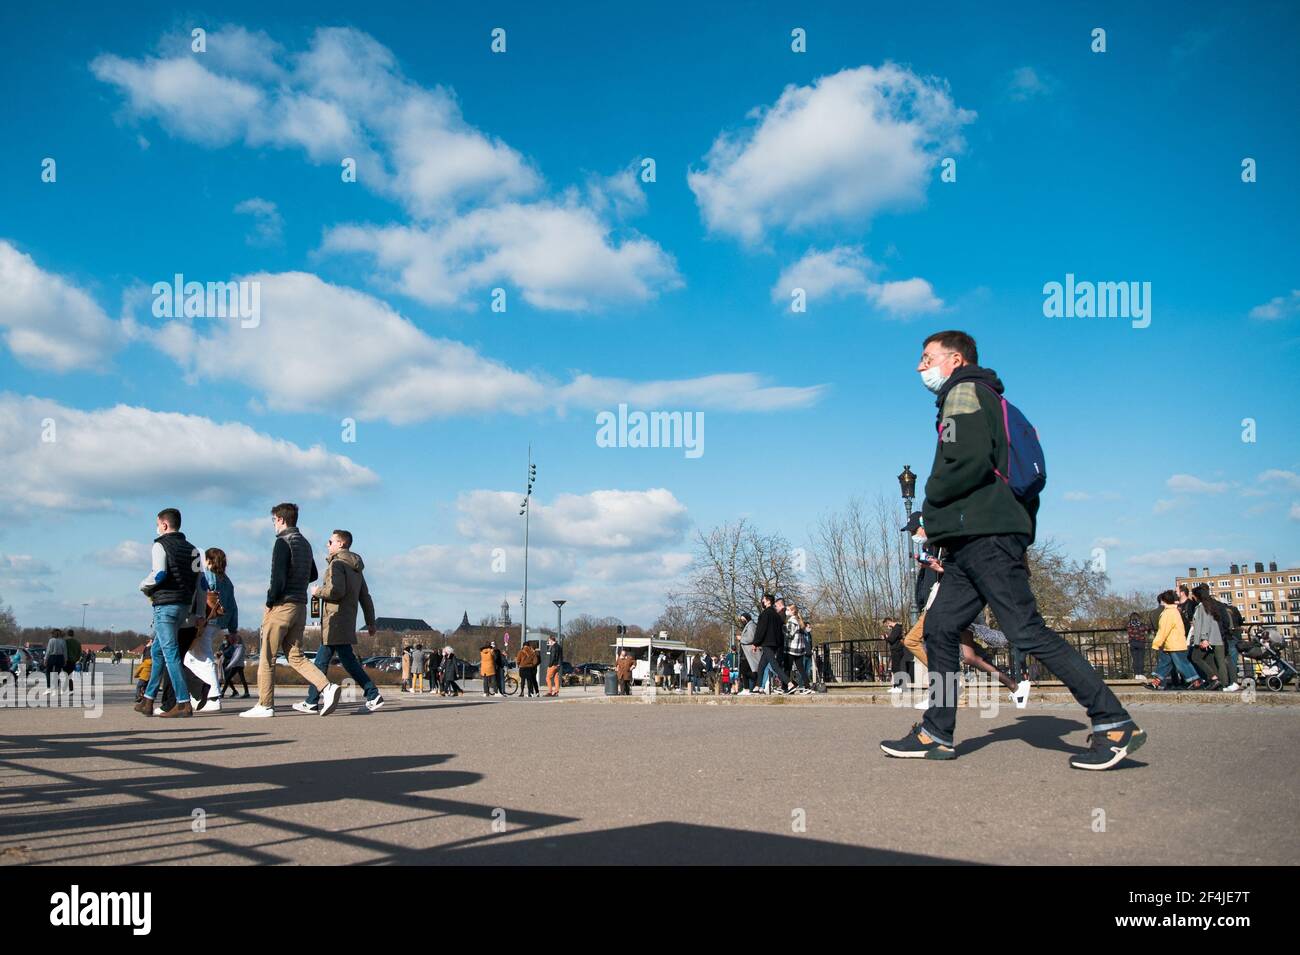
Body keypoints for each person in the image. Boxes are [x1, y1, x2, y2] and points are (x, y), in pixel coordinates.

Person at [880, 330, 1144, 769]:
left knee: (1026, 630)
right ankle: (936, 732)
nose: (919, 367)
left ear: (956, 359)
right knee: (940, 628)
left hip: (986, 536)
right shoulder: (983, 397)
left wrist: (929, 503)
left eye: (927, 358)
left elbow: (962, 460)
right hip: (970, 541)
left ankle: (1113, 723)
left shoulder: (962, 393)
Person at [241, 502, 340, 718]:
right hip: (300, 606)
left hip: (282, 605)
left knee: (267, 656)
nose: (274, 524)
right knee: (296, 656)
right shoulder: (304, 543)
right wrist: (298, 579)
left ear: (282, 520)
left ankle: (265, 704)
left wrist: (269, 601)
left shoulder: (282, 542)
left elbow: (277, 578)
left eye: (274, 520)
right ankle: (327, 687)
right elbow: (312, 574)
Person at [294, 529, 385, 714]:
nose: (327, 545)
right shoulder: (356, 568)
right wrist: (370, 622)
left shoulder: (336, 565)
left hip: (334, 620)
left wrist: (317, 592)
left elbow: (336, 591)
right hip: (347, 620)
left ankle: (372, 694)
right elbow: (365, 597)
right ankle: (312, 700)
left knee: (322, 662)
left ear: (341, 544)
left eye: (330, 541)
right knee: (338, 660)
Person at [134, 508, 206, 718]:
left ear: (164, 525)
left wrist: (143, 585)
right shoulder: (193, 550)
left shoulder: (160, 545)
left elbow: (159, 574)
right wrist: (200, 612)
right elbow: (201, 583)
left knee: (170, 654)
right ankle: (147, 700)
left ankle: (183, 703)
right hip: (184, 607)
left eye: (157, 524)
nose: (157, 527)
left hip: (165, 606)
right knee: (157, 652)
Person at [189, 548, 237, 711]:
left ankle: (212, 696)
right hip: (219, 622)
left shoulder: (208, 575)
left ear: (208, 560)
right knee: (196, 656)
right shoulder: (227, 581)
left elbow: (200, 594)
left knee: (200, 656)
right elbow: (233, 606)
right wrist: (233, 630)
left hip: (206, 619)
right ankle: (200, 694)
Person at [1146, 590, 1202, 690]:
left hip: (1174, 644)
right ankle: (1156, 682)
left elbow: (1163, 630)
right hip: (1172, 644)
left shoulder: (1168, 613)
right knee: (1165, 663)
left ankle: (1196, 680)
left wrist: (1156, 643)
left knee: (1182, 664)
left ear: (1164, 600)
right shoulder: (1174, 611)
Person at [1190, 585, 1238, 692]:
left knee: (1197, 657)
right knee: (1216, 660)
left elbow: (1206, 623)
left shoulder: (1202, 607)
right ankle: (1223, 683)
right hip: (1217, 637)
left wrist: (1204, 638)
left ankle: (1216, 679)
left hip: (1210, 638)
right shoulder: (1211, 605)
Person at [752, 595, 793, 694]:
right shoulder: (776, 614)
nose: (762, 601)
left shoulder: (765, 614)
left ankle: (789, 683)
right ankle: (758, 686)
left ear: (768, 602)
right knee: (762, 665)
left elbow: (761, 630)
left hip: (767, 642)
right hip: (775, 643)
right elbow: (779, 630)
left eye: (763, 600)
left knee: (774, 665)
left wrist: (755, 643)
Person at [222, 632, 250, 698]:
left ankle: (246, 693)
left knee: (238, 679)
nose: (235, 640)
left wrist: (229, 666)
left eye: (236, 639)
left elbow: (236, 658)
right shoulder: (236, 647)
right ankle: (223, 692)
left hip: (239, 665)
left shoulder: (241, 647)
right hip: (236, 665)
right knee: (229, 678)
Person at [1126, 612, 1149, 682]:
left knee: (1135, 659)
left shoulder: (1128, 625)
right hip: (1140, 643)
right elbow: (1147, 628)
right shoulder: (1141, 625)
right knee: (1140, 659)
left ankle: (1136, 674)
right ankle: (1140, 673)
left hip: (1132, 643)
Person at [43, 628, 67, 694]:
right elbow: (65, 652)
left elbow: (48, 651)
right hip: (60, 657)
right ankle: (55, 689)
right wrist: (65, 660)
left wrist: (45, 659)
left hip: (52, 657)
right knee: (56, 674)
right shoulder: (63, 641)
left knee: (48, 672)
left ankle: (48, 688)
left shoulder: (51, 640)